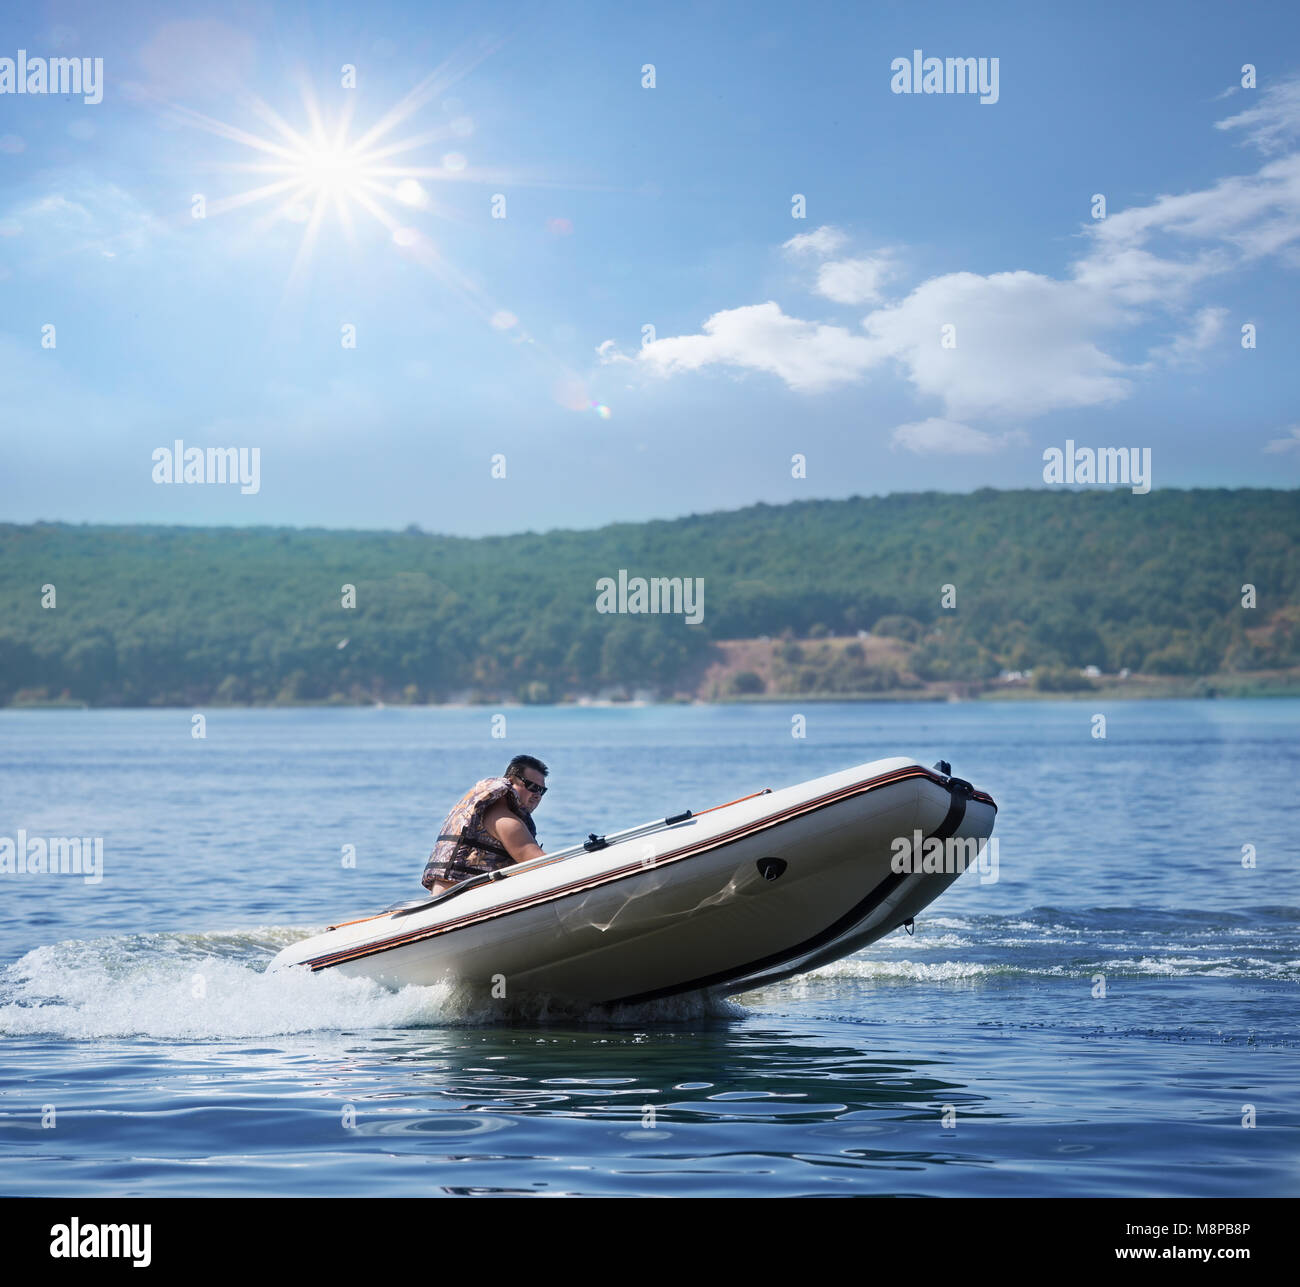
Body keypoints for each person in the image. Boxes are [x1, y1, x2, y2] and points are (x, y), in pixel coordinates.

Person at [422, 755, 548, 894]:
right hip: (463, 903)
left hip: (444, 897)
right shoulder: (505, 820)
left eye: (542, 790)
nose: (537, 795)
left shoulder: (480, 810)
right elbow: (541, 865)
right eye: (532, 786)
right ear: (511, 781)